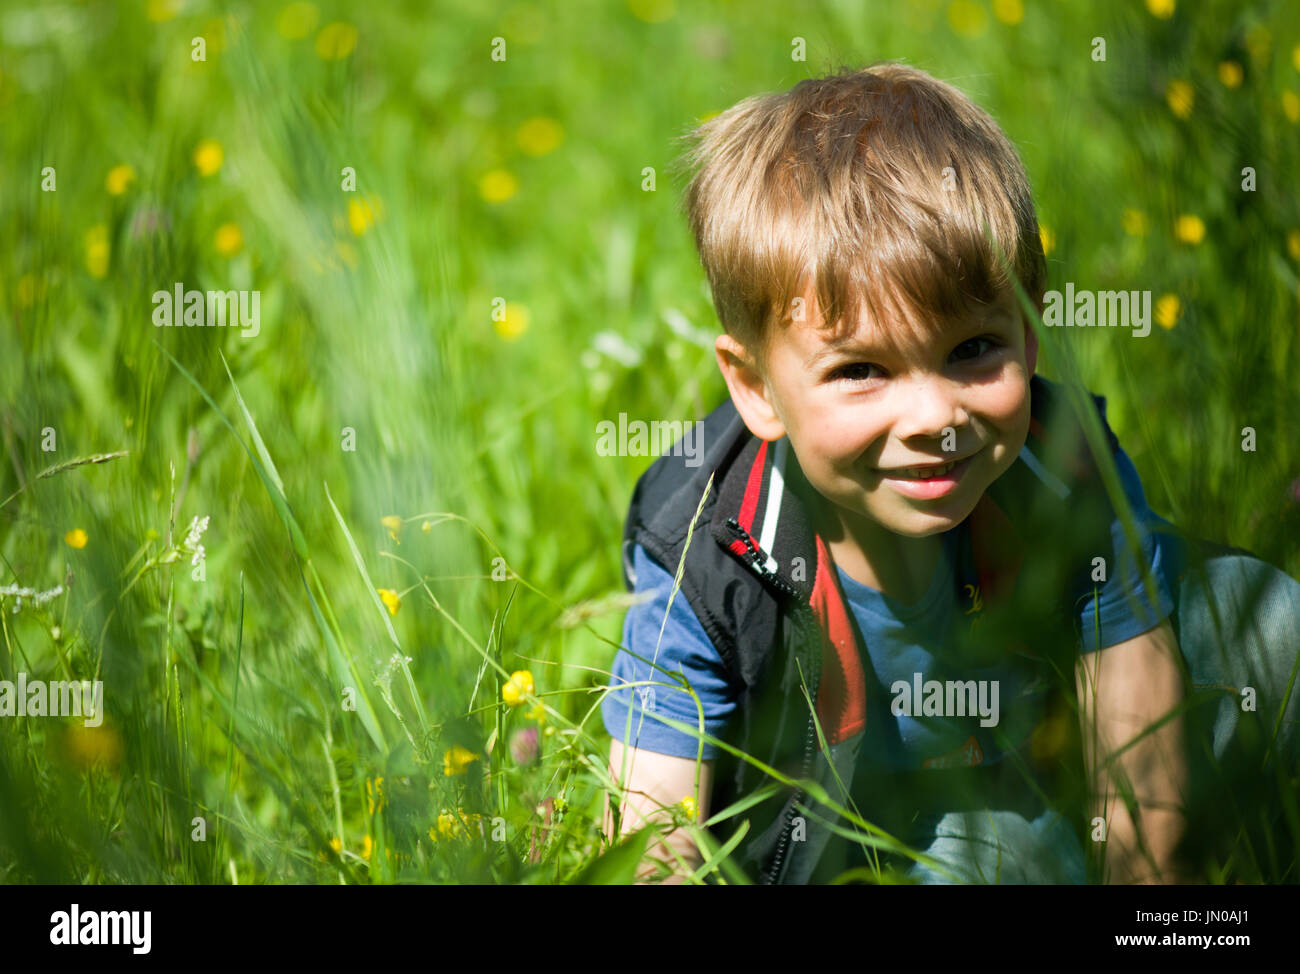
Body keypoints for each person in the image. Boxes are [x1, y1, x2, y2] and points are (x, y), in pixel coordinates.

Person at [600, 61, 1300, 885]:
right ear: (755, 387)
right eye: (860, 369)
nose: (936, 417)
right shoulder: (707, 548)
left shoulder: (1058, 460)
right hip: (860, 814)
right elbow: (651, 837)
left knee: (1273, 626)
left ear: (1031, 339)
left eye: (972, 350)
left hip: (1033, 738)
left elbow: (1135, 725)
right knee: (999, 864)